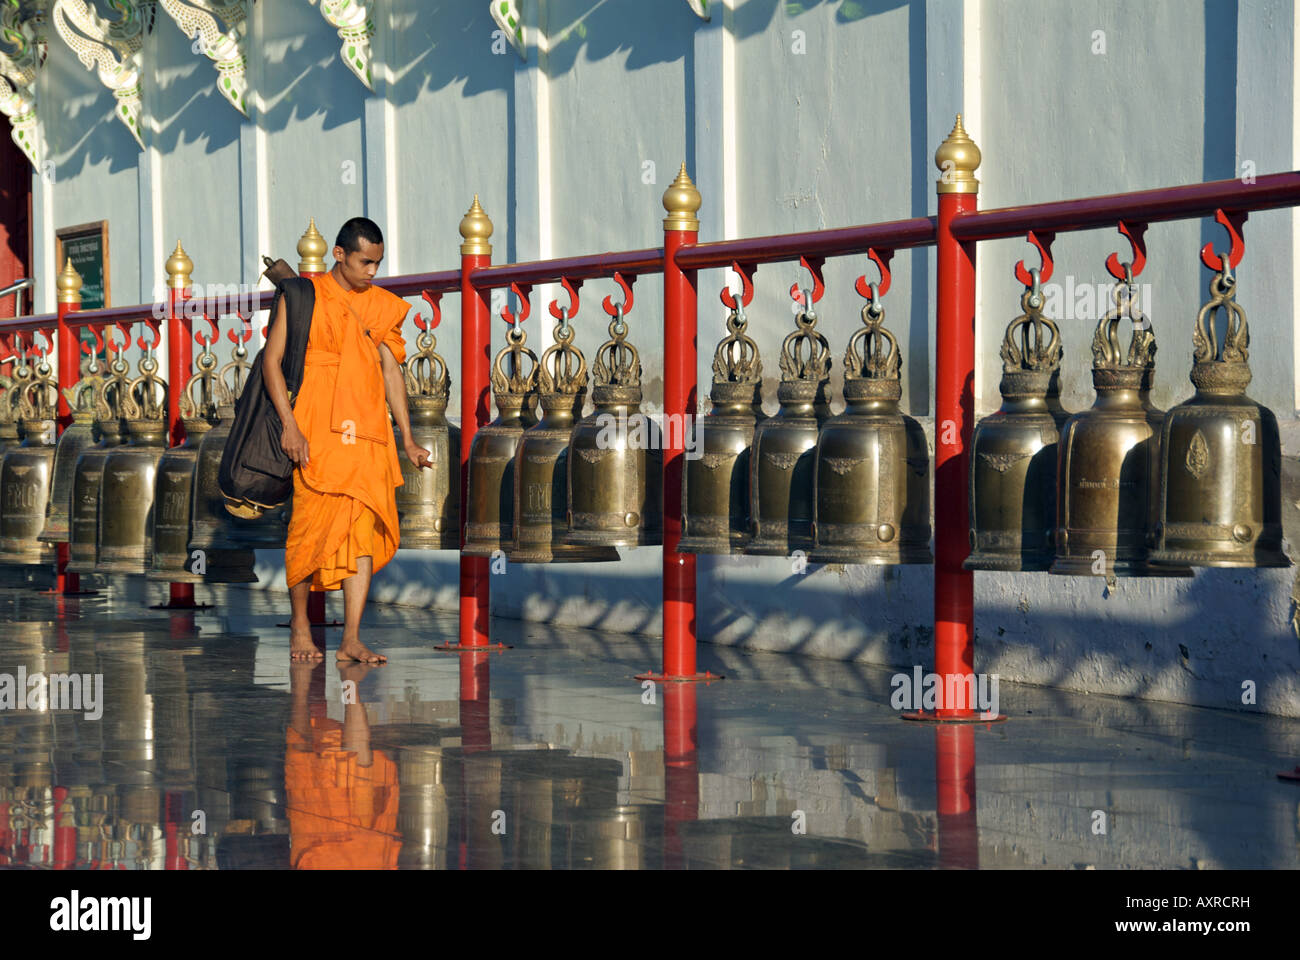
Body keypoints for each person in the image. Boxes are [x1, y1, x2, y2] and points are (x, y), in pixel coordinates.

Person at [262, 216, 432, 663]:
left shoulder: (381, 306)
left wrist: (408, 439)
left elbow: (391, 371)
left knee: (361, 532)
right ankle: (301, 624)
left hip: (368, 433)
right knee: (307, 529)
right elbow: (271, 362)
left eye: (377, 263)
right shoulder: (303, 297)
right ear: (339, 255)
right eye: (364, 262)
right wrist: (289, 425)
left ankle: (351, 637)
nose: (372, 272)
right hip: (314, 426)